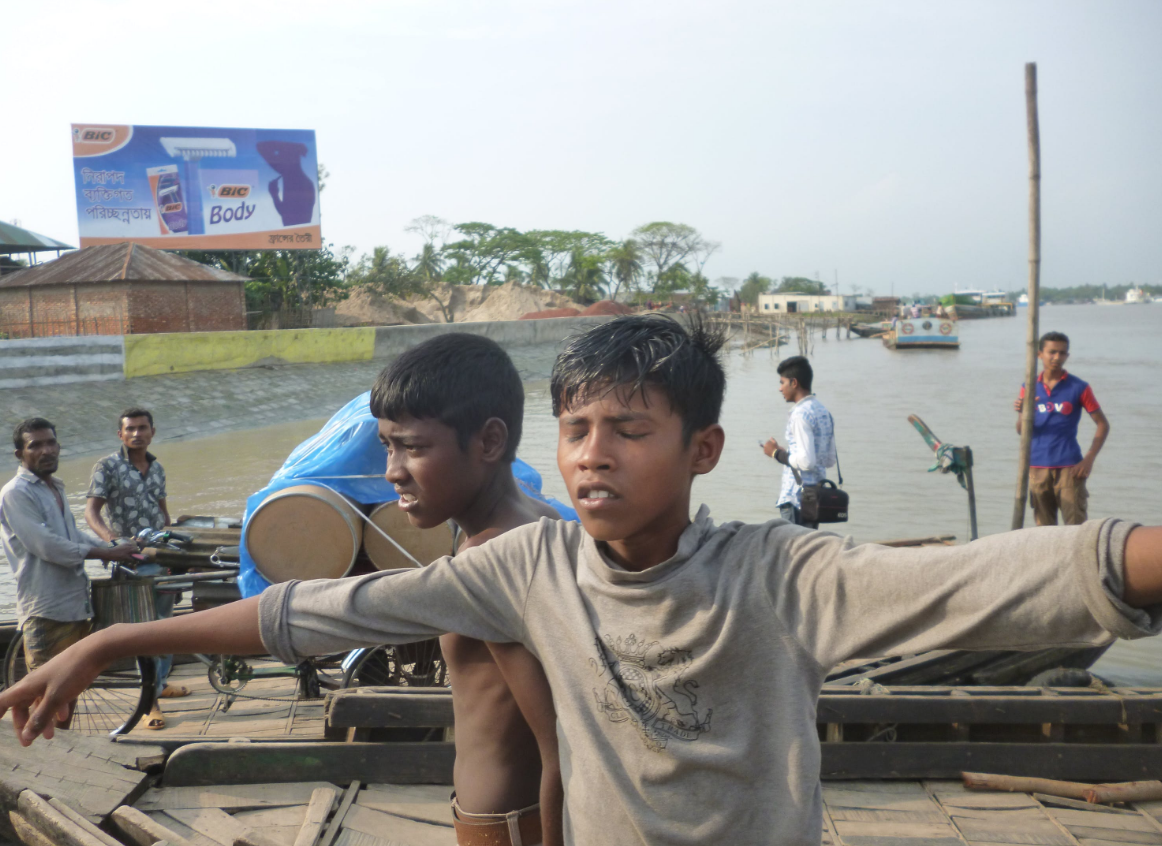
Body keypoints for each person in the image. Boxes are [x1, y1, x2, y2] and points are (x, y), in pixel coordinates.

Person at [3, 316, 1162, 846]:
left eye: (630, 430)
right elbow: (309, 612)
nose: (595, 453)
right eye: (578, 428)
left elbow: (1005, 574)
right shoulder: (522, 567)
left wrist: (1128, 556)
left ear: (705, 450)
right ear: (546, 443)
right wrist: (112, 644)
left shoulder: (783, 574)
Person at [368, 333, 563, 846]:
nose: (392, 471)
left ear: (490, 442)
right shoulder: (536, 518)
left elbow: (558, 744)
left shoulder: (493, 555)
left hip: (510, 828)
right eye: (387, 446)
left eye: (412, 447)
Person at [0, 419, 138, 723]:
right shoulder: (15, 493)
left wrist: (118, 547)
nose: (46, 450)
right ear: (19, 454)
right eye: (35, 445)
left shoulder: (54, 488)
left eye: (51, 442)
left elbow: (72, 537)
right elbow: (47, 546)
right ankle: (47, 760)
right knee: (45, 698)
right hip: (46, 608)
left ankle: (67, 744)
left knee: (69, 690)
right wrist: (104, 552)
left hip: (75, 603)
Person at [85, 408, 189, 729]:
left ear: (152, 432)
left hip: (162, 558)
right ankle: (150, 705)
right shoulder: (108, 466)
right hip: (131, 562)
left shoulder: (156, 468)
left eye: (142, 428)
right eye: (130, 429)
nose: (136, 434)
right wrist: (113, 543)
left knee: (166, 625)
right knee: (143, 632)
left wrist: (173, 550)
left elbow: (163, 514)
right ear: (120, 435)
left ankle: (161, 684)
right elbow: (91, 512)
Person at [1014, 331, 1110, 526]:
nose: (1057, 357)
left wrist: (1089, 459)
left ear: (1067, 356)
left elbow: (1102, 423)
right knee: (1044, 531)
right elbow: (1021, 431)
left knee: (1076, 528)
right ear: (1040, 354)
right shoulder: (1029, 386)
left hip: (1070, 468)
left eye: (1062, 353)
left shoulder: (1079, 387)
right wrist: (1024, 412)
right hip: (1037, 467)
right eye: (1052, 352)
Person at [762, 355, 836, 528]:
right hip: (816, 496)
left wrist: (776, 453)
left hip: (796, 498)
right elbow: (828, 460)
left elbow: (806, 461)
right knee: (809, 551)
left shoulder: (800, 414)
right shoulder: (823, 411)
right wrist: (789, 454)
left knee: (793, 553)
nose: (780, 389)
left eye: (782, 382)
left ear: (794, 383)